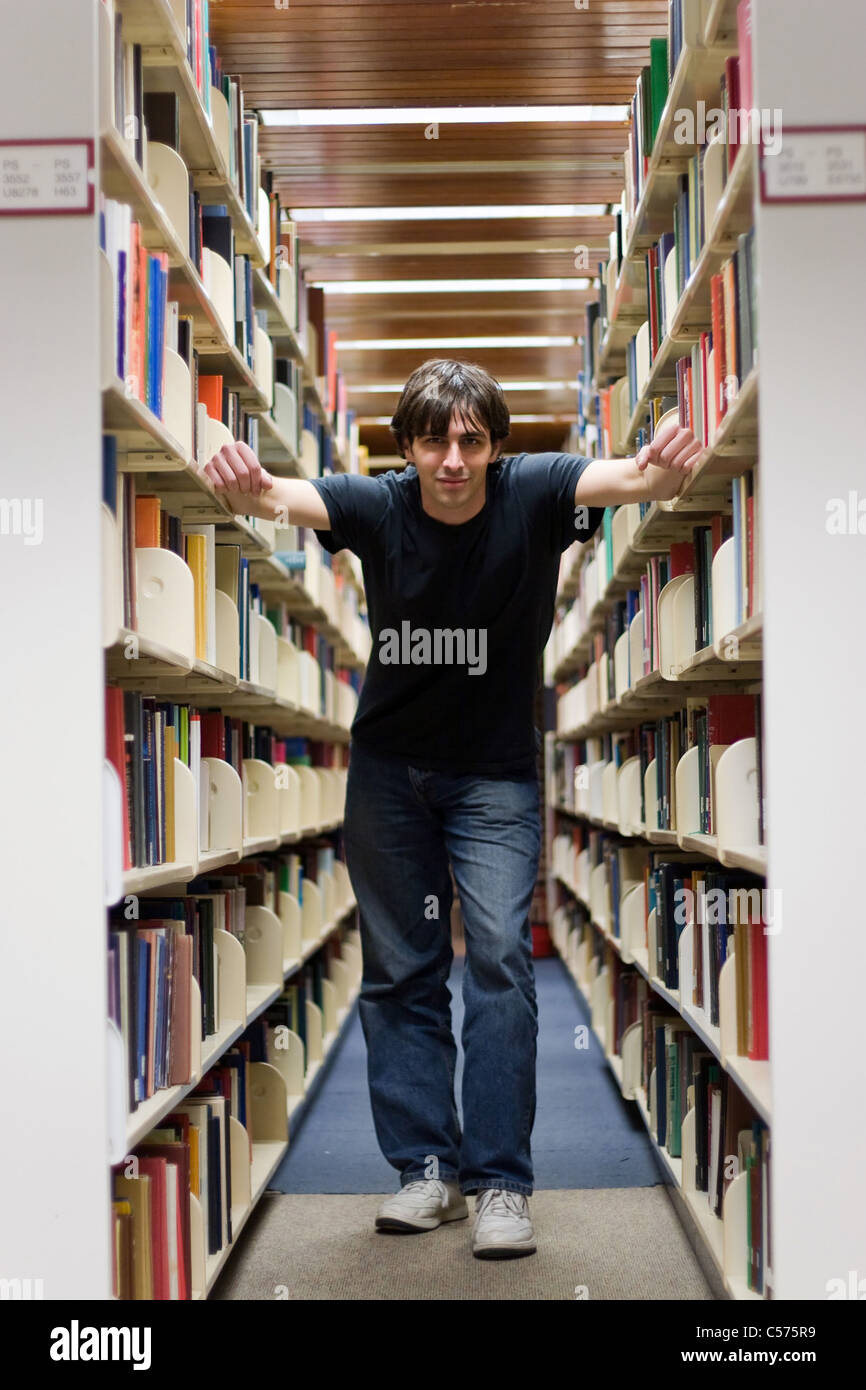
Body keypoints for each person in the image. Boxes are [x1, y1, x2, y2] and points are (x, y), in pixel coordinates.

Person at [204, 358, 702, 1259]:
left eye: (473, 440)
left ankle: (502, 1182)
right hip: (389, 772)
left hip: (497, 774)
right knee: (402, 971)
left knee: (503, 962)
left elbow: (627, 477)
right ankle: (424, 1170)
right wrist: (246, 483)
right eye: (434, 439)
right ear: (409, 448)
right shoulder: (380, 503)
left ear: (497, 446)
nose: (453, 459)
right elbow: (287, 493)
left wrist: (659, 473)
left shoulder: (538, 489)